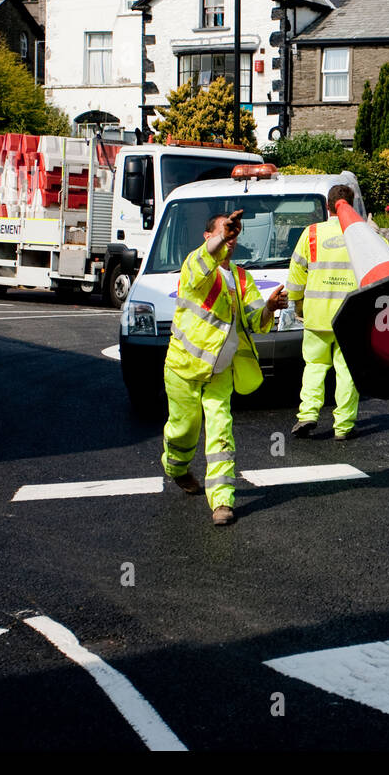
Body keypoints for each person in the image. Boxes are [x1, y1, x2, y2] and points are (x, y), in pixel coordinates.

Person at [161, 209, 289, 526]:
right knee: (183, 432)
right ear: (209, 238)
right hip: (183, 369)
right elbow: (202, 261)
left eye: (234, 235)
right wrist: (220, 237)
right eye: (224, 233)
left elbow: (256, 322)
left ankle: (222, 502)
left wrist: (270, 307)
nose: (231, 239)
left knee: (221, 434)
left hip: (221, 373)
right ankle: (176, 468)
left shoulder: (242, 278)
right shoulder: (196, 269)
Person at [287, 185, 360, 440]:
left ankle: (307, 414)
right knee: (347, 371)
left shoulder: (312, 234)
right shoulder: (361, 234)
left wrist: (297, 303)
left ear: (327, 206)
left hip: (316, 316)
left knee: (315, 366)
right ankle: (344, 426)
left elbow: (296, 274)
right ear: (350, 206)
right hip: (350, 318)